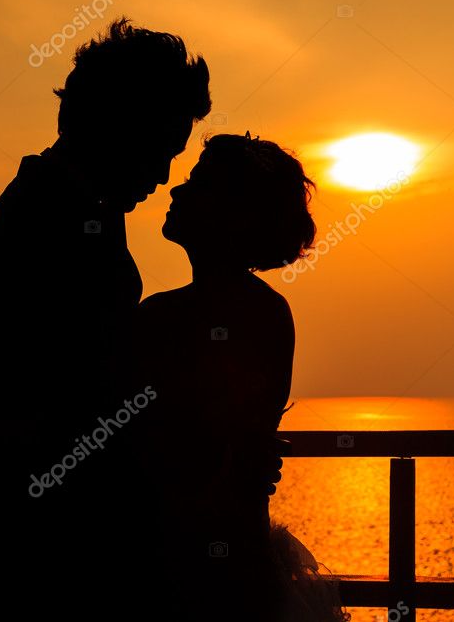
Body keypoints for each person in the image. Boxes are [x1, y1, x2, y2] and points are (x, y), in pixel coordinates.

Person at [0, 16, 213, 619]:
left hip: (50, 533)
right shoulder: (55, 218)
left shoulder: (68, 204)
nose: (162, 177)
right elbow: (85, 392)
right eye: (162, 150)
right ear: (118, 125)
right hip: (65, 548)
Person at [124, 133, 350, 621]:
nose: (176, 191)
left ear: (234, 215)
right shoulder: (261, 310)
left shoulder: (181, 316)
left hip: (197, 571)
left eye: (199, 185)